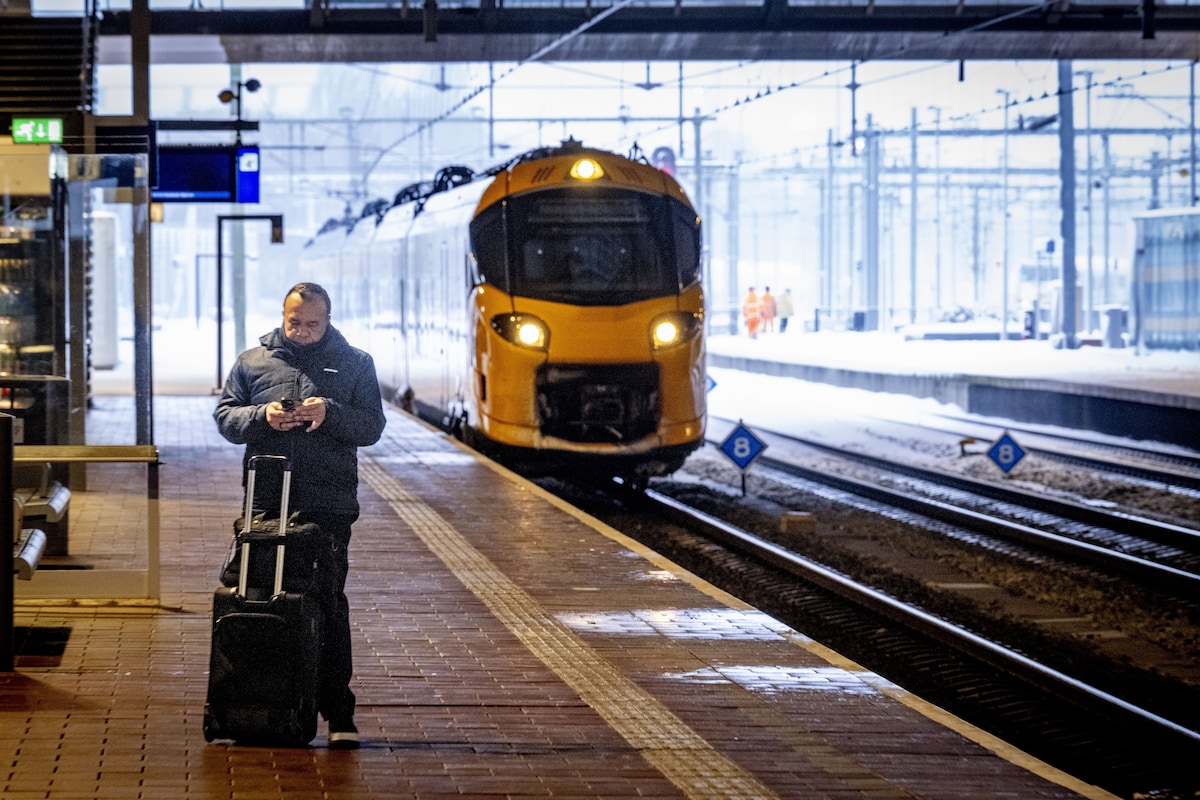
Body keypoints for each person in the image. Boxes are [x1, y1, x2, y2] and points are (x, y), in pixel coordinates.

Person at [214, 282, 387, 750]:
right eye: (295, 323)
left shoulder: (357, 363)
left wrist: (328, 413)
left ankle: (338, 711)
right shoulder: (253, 361)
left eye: (312, 324)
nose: (303, 331)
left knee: (327, 600)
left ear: (328, 321)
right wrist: (262, 417)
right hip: (266, 501)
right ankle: (259, 703)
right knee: (257, 595)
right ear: (283, 316)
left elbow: (372, 427)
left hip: (328, 504)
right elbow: (226, 416)